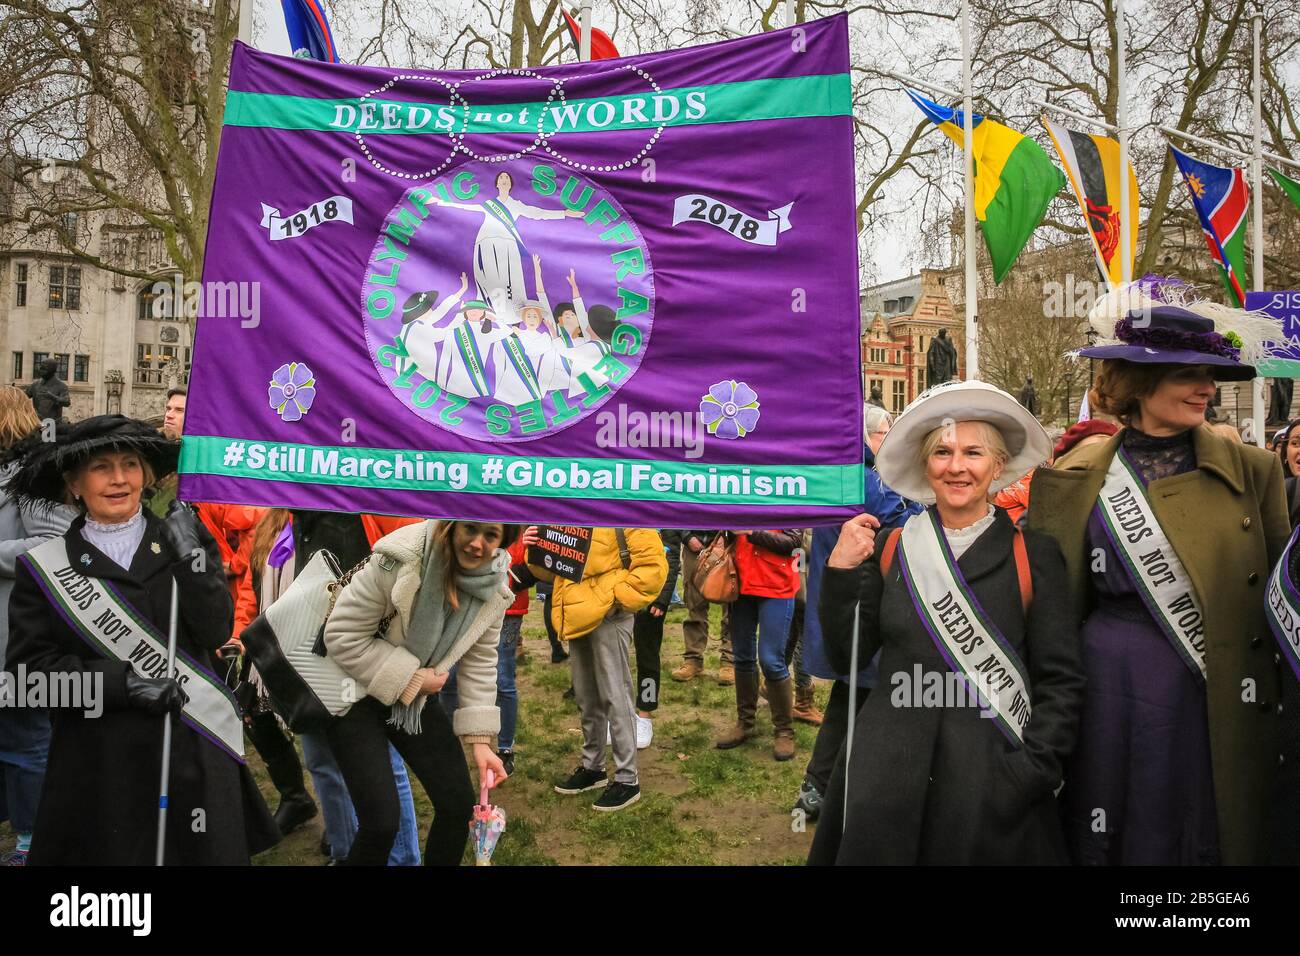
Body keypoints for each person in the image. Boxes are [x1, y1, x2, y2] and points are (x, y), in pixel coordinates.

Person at [1028, 289, 1289, 865]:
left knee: (1207, 815)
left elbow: (1280, 600)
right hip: (1110, 678)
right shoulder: (1073, 475)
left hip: (1218, 681)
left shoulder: (1256, 471)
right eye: (1190, 375)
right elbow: (1047, 606)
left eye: (1211, 375)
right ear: (1140, 385)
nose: (1208, 389)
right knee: (1118, 812)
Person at [810, 381, 1082, 864]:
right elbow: (843, 653)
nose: (957, 466)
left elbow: (1061, 683)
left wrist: (1030, 773)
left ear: (998, 467)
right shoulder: (892, 549)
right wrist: (841, 572)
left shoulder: (1035, 556)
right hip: (886, 780)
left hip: (991, 788)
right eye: (943, 451)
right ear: (925, 465)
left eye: (974, 452)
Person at [4, 415, 278, 864]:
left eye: (130, 464)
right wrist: (123, 685)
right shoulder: (44, 568)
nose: (118, 479)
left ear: (146, 476)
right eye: (101, 467)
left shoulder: (182, 540)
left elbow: (213, 630)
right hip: (100, 762)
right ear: (74, 483)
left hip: (190, 746)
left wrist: (191, 559)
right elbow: (28, 681)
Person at [234, 508, 425, 864]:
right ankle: (345, 850)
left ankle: (402, 859)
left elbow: (415, 550)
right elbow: (253, 583)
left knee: (385, 764)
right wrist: (239, 630)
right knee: (321, 761)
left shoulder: (368, 506)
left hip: (357, 657)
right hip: (298, 664)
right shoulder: (274, 522)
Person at [323, 520, 514, 865]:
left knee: (457, 806)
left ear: (503, 542)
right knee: (381, 824)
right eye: (470, 529)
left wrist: (481, 742)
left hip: (412, 698)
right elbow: (340, 635)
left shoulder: (494, 585)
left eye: (491, 535)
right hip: (352, 693)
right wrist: (412, 678)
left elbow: (480, 659)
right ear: (451, 525)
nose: (477, 543)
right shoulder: (400, 558)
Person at [793, 403, 921, 820]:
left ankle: (819, 785)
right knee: (860, 696)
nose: (890, 438)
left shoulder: (842, 471)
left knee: (850, 695)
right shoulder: (865, 478)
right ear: (867, 435)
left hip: (847, 598)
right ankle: (835, 788)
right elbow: (902, 521)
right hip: (864, 602)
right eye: (885, 431)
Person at [0, 388, 74, 865]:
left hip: (17, 639)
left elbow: (56, 543)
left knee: (27, 742)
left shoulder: (35, 476)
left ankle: (34, 841)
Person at [544, 528, 667, 812]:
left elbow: (653, 566)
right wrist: (534, 547)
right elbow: (552, 565)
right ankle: (593, 768)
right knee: (587, 696)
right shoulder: (571, 506)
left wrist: (616, 600)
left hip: (608, 616)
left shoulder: (625, 503)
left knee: (616, 694)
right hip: (577, 613)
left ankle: (627, 779)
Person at [442, 526, 541, 777]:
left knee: (502, 679)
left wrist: (526, 553)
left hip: (507, 613)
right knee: (448, 678)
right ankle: (450, 744)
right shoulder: (474, 517)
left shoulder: (524, 526)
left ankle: (505, 748)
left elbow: (534, 571)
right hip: (462, 607)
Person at [436, 169, 582, 318]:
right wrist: (441, 203)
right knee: (488, 278)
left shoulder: (516, 205)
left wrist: (564, 213)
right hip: (487, 243)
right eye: (501, 178)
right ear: (497, 184)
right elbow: (467, 207)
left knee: (512, 279)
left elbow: (538, 213)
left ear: (510, 184)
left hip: (508, 244)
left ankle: (514, 316)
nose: (504, 179)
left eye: (506, 177)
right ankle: (488, 313)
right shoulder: (489, 204)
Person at [716, 529, 803, 760]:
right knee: (742, 656)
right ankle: (745, 723)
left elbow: (795, 543)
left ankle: (784, 730)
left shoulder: (789, 493)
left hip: (777, 586)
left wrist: (752, 532)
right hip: (741, 584)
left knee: (771, 660)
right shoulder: (741, 494)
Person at [632, 530, 682, 749]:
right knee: (611, 659)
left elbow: (671, 553)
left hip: (649, 598)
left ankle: (645, 714)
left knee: (647, 658)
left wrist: (662, 598)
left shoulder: (660, 505)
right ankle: (615, 714)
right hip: (613, 593)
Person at [672, 529, 735, 684]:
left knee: (731, 604)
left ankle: (729, 661)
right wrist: (686, 537)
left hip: (727, 543)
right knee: (694, 604)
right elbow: (679, 509)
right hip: (693, 545)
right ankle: (693, 660)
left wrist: (726, 535)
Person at [24, 359, 69, 423]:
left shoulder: (61, 386)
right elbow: (23, 396)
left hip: (52, 424)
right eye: (40, 368)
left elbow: (67, 402)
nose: (40, 371)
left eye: (44, 369)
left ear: (53, 371)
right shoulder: (35, 385)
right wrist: (14, 391)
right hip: (36, 423)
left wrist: (52, 397)